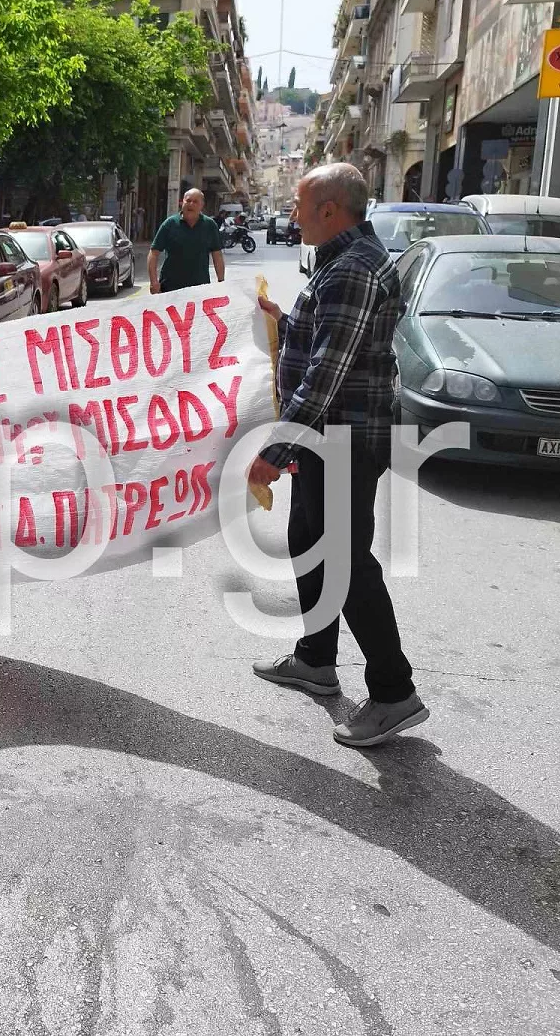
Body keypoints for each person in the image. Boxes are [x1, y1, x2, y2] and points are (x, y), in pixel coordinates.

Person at [249, 162, 425, 748]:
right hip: (326, 438)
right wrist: (284, 323)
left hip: (344, 437)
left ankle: (394, 692)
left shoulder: (352, 268)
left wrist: (276, 449)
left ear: (329, 210)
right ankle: (316, 660)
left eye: (299, 206)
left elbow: (326, 373)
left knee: (345, 562)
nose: (293, 215)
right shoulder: (341, 261)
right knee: (307, 539)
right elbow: (326, 339)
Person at [148, 188, 224, 294]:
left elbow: (217, 255)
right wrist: (153, 282)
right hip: (170, 288)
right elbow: (153, 253)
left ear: (202, 205)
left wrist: (221, 283)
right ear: (182, 202)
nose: (191, 204)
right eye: (188, 201)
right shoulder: (170, 224)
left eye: (195, 202)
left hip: (200, 289)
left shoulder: (210, 225)